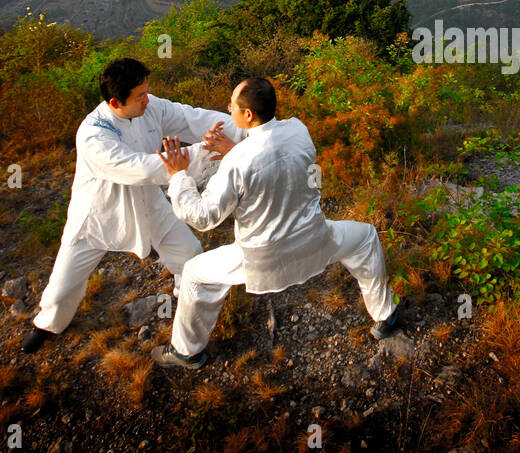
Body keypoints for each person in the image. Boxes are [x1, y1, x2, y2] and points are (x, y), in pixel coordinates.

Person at [150, 77, 400, 369]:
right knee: (367, 236)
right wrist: (238, 152)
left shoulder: (237, 161)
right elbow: (277, 159)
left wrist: (179, 176)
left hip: (261, 260)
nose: (228, 109)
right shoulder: (298, 129)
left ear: (248, 115)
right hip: (317, 239)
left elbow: (203, 217)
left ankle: (185, 351)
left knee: (193, 273)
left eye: (232, 106)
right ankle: (385, 316)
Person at [20, 57, 244, 352]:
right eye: (140, 95)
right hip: (98, 213)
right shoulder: (94, 134)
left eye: (146, 91)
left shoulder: (150, 107)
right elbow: (141, 168)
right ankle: (48, 324)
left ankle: (185, 299)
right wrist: (204, 151)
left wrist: (246, 128)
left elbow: (191, 117)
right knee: (63, 286)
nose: (147, 99)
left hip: (149, 204)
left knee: (189, 255)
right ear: (115, 102)